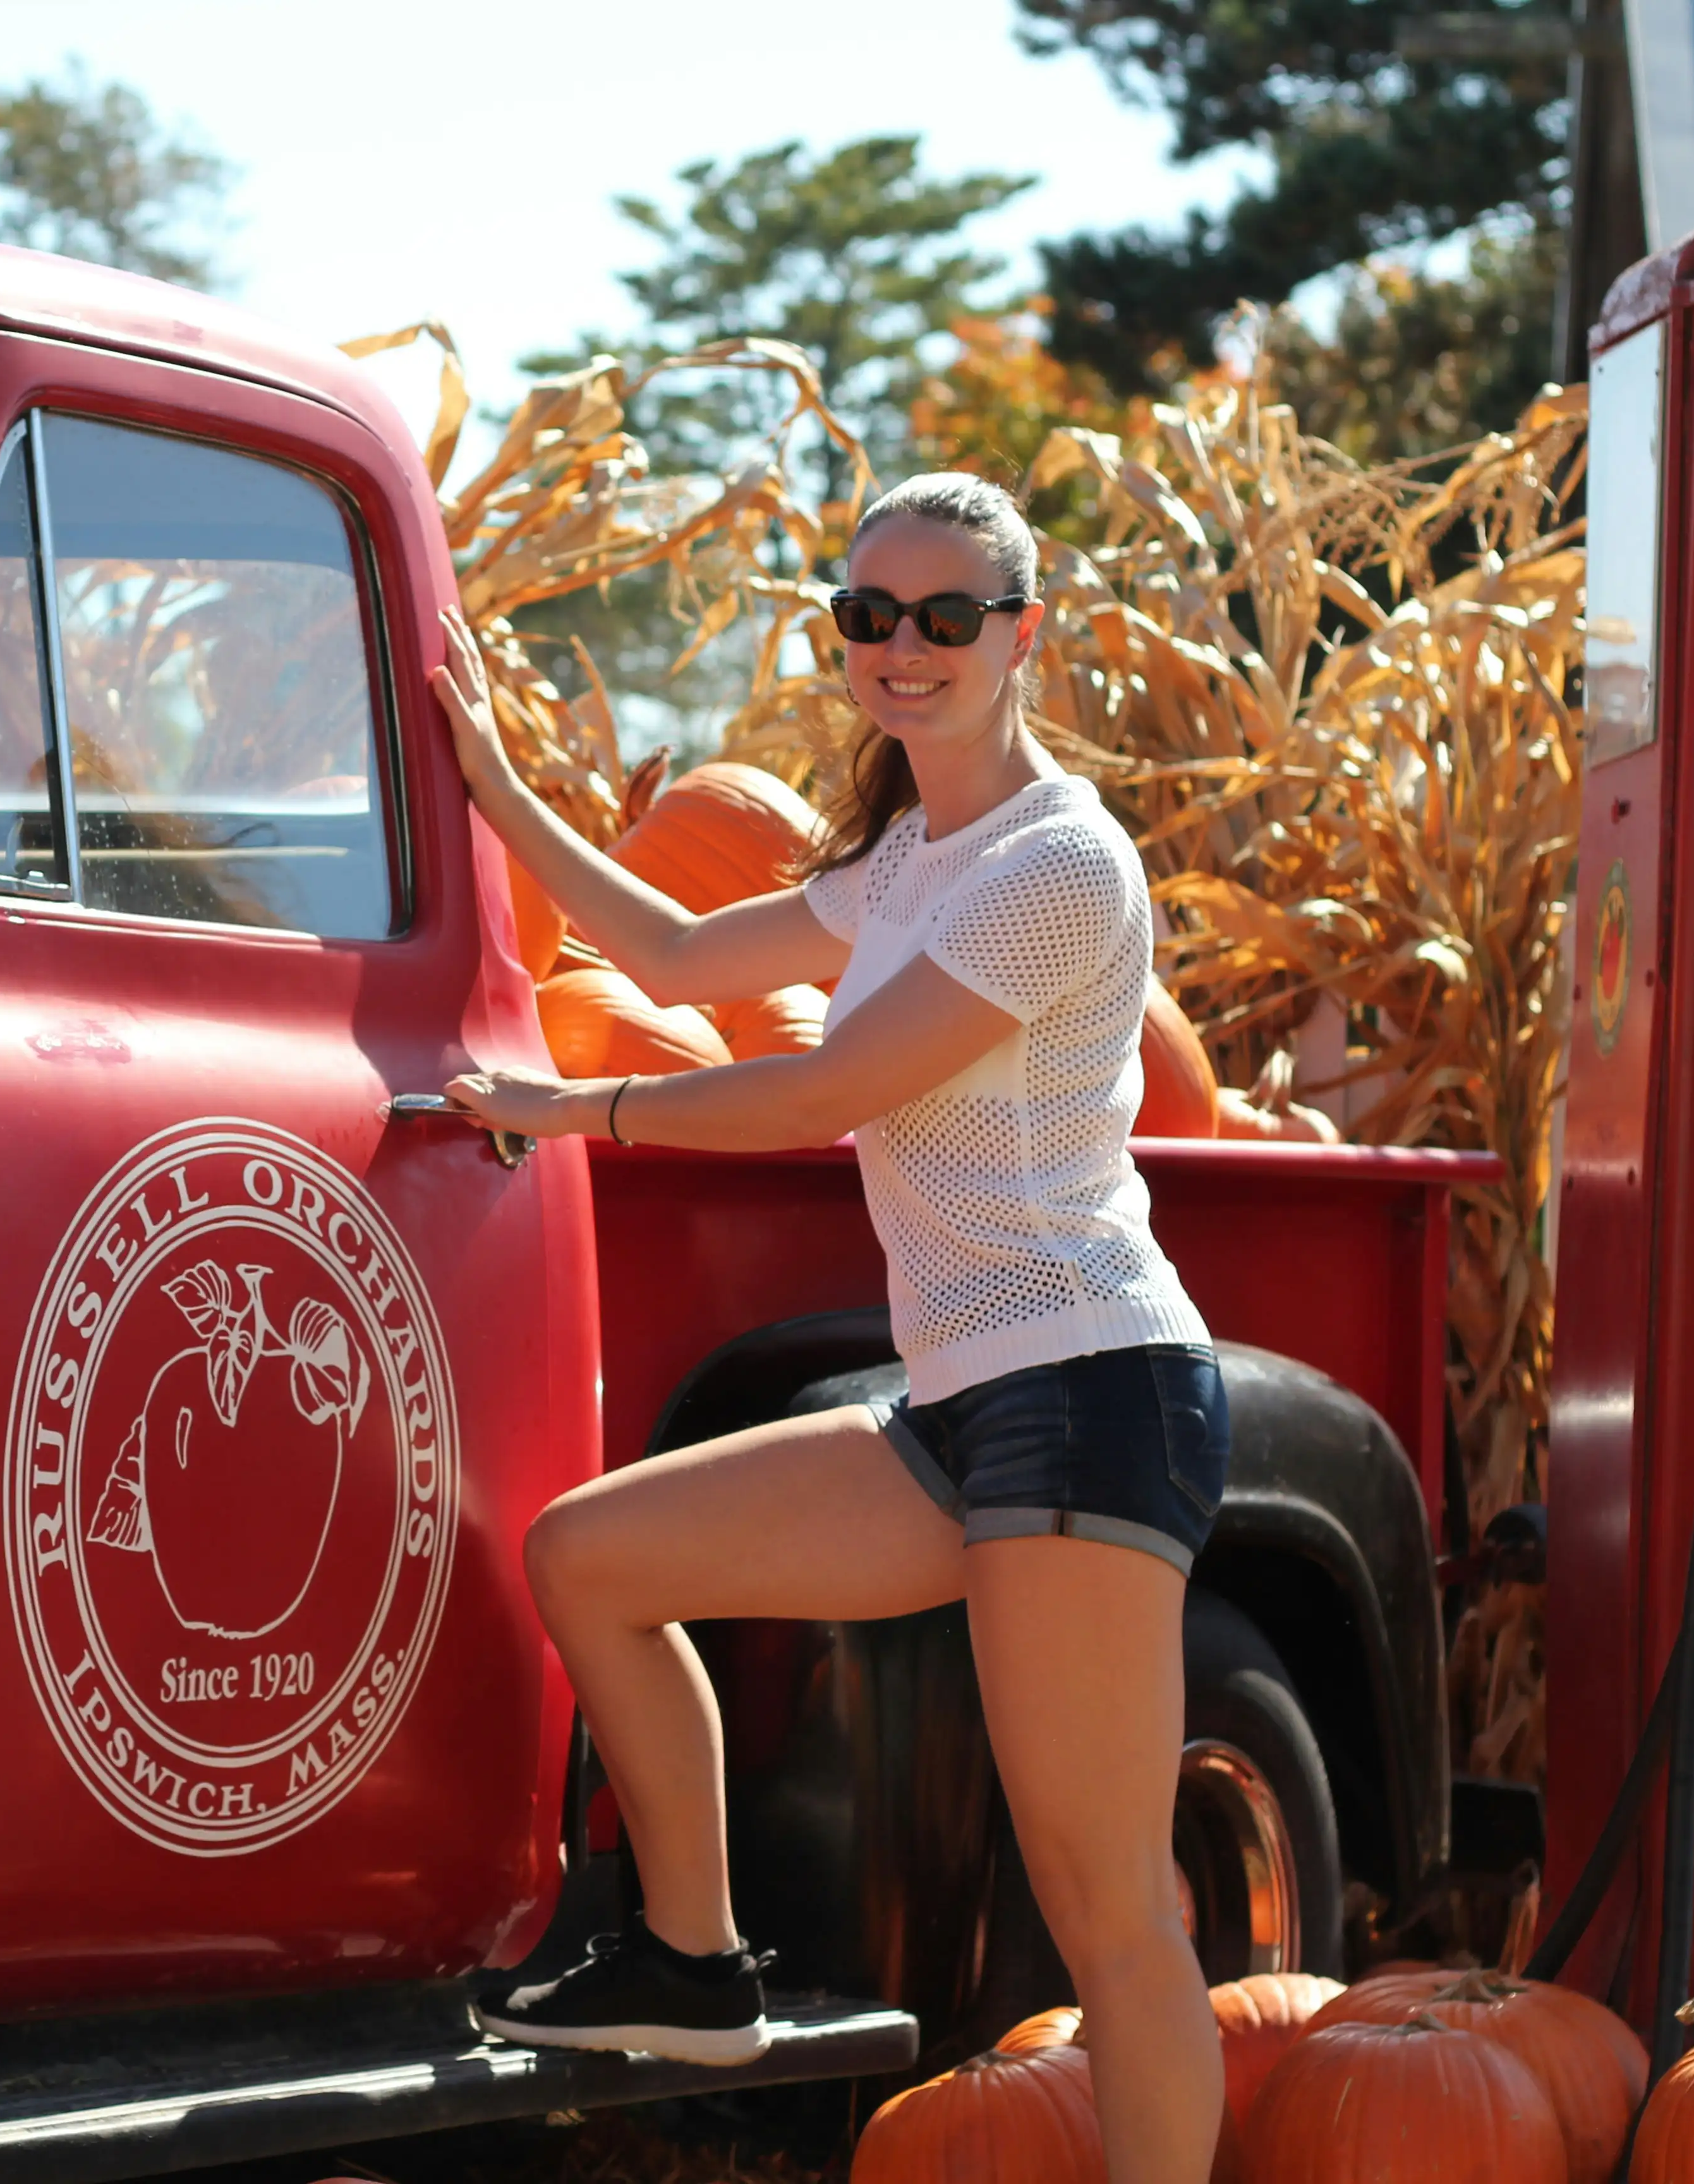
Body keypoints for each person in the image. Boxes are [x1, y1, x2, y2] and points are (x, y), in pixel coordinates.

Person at [433, 471, 1229, 2184]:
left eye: (948, 618)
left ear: (1021, 637)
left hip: (1091, 1393)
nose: (906, 648)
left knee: (1107, 1913)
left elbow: (830, 1087)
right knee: (594, 1558)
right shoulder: (903, 862)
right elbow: (667, 939)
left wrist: (575, 1113)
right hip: (965, 1407)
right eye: (873, 616)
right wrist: (497, 783)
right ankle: (696, 1964)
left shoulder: (1056, 864)